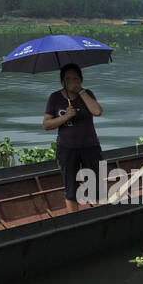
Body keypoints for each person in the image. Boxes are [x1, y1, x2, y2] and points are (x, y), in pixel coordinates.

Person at [42, 63, 103, 211]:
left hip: (90, 146)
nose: (72, 82)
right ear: (63, 81)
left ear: (81, 80)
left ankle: (100, 217)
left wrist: (81, 91)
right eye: (68, 79)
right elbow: (46, 125)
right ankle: (74, 219)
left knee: (95, 185)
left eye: (75, 78)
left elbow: (97, 111)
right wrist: (66, 117)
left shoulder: (87, 94)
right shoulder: (55, 97)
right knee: (71, 189)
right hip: (67, 149)